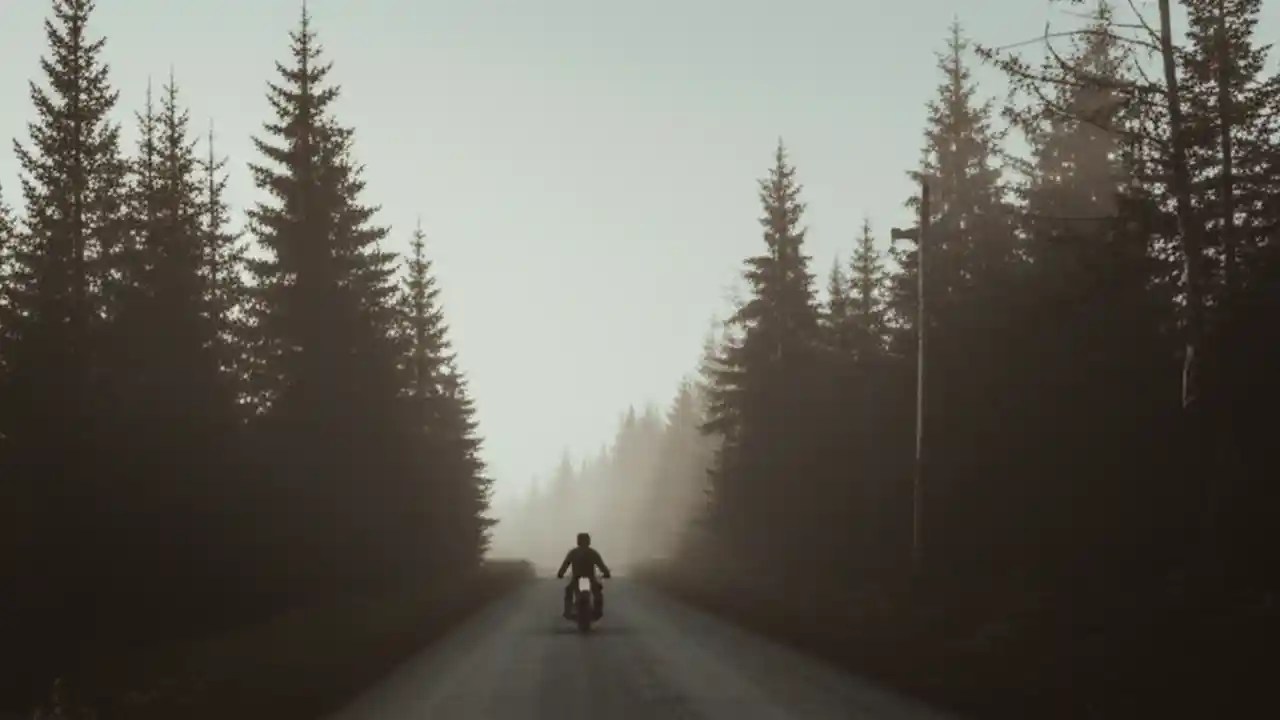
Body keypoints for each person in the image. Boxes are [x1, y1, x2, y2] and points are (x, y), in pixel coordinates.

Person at [556, 532, 611, 619]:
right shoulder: (593, 553)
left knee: (569, 591)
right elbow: (601, 565)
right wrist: (606, 573)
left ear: (578, 541)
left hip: (577, 578)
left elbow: (565, 565)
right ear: (589, 541)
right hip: (590, 578)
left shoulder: (573, 552)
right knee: (598, 593)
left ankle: (567, 611)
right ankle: (598, 611)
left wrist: (560, 574)